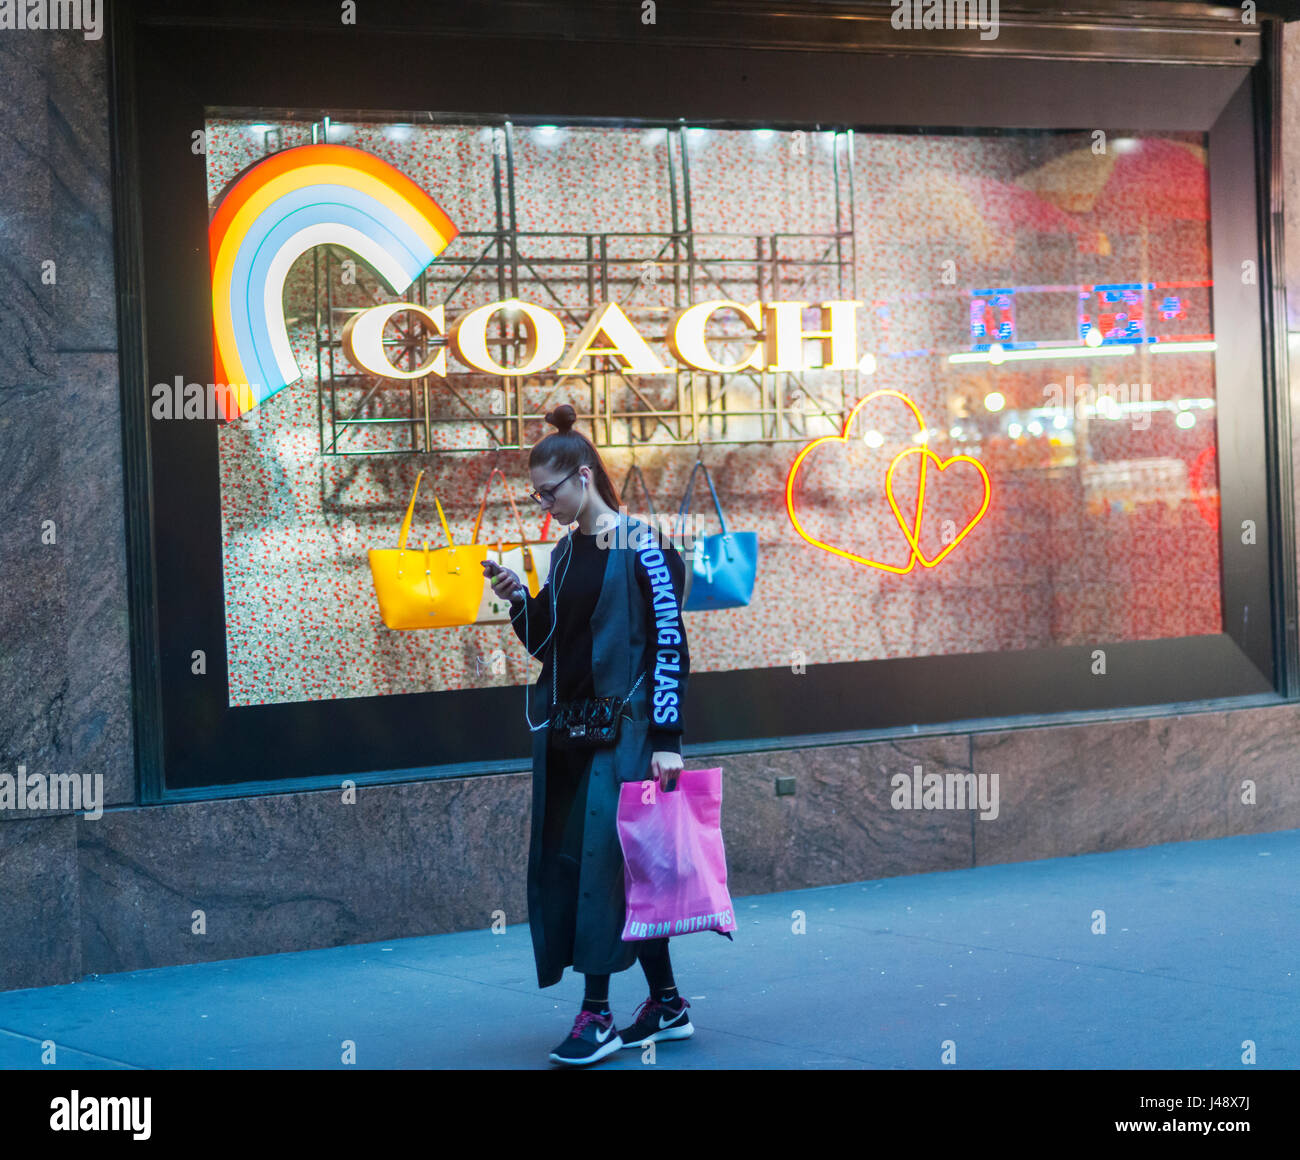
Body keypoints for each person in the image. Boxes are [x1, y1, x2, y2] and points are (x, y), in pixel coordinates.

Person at [482, 403, 693, 1067]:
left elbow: (670, 645)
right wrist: (520, 598)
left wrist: (667, 738)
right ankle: (667, 1002)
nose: (544, 504)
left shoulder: (645, 547)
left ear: (582, 474)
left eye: (549, 492)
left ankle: (596, 1013)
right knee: (611, 869)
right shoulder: (565, 552)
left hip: (627, 738)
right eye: (536, 494)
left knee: (601, 865)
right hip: (572, 735)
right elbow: (550, 644)